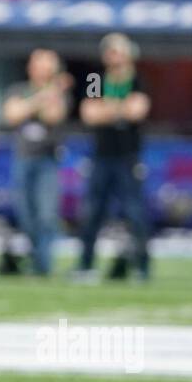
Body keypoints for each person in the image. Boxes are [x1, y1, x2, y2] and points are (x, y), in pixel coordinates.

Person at [73, 33, 151, 283]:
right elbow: (89, 114)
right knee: (92, 212)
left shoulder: (137, 79)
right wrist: (120, 108)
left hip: (128, 156)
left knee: (134, 212)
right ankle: (85, 264)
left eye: (117, 51)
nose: (112, 56)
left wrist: (108, 108)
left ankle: (141, 266)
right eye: (109, 51)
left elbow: (138, 110)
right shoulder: (97, 78)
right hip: (102, 155)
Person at [2, 49, 71, 277]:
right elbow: (13, 114)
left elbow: (53, 115)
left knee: (46, 214)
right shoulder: (19, 90)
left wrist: (43, 99)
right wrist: (43, 96)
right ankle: (36, 258)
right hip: (23, 157)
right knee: (26, 214)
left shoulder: (61, 94)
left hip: (47, 159)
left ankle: (43, 265)